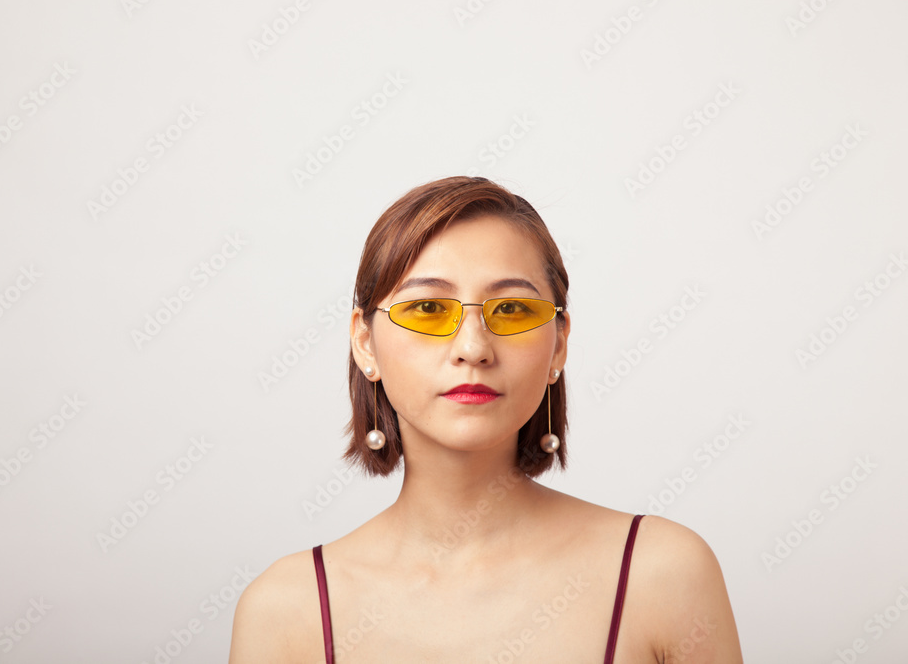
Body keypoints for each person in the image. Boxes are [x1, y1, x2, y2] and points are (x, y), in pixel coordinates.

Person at [229, 176, 743, 663]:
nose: (473, 348)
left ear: (558, 345)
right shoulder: (285, 608)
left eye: (512, 310)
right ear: (366, 344)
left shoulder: (664, 574)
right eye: (428, 307)